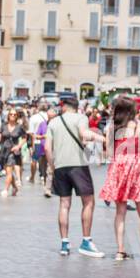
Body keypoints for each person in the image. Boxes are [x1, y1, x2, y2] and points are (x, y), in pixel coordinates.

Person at [100, 97, 140, 261]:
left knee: (120, 212)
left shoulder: (112, 127)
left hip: (118, 168)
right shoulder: (136, 127)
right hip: (134, 168)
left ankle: (120, 251)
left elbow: (109, 153)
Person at [45, 95, 104, 257]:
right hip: (78, 165)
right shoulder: (81, 118)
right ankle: (86, 241)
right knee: (88, 201)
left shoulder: (53, 122)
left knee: (64, 204)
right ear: (77, 107)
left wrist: (52, 166)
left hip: (60, 167)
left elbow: (47, 149)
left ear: (63, 107)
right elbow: (84, 134)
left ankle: (64, 243)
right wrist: (103, 139)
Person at [0, 109, 27, 199]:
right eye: (11, 114)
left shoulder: (19, 127)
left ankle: (6, 189)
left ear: (17, 116)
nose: (13, 116)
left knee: (9, 170)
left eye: (14, 114)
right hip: (4, 151)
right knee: (8, 171)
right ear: (8, 115)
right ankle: (14, 187)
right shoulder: (4, 125)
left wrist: (19, 146)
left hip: (13, 151)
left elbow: (25, 137)